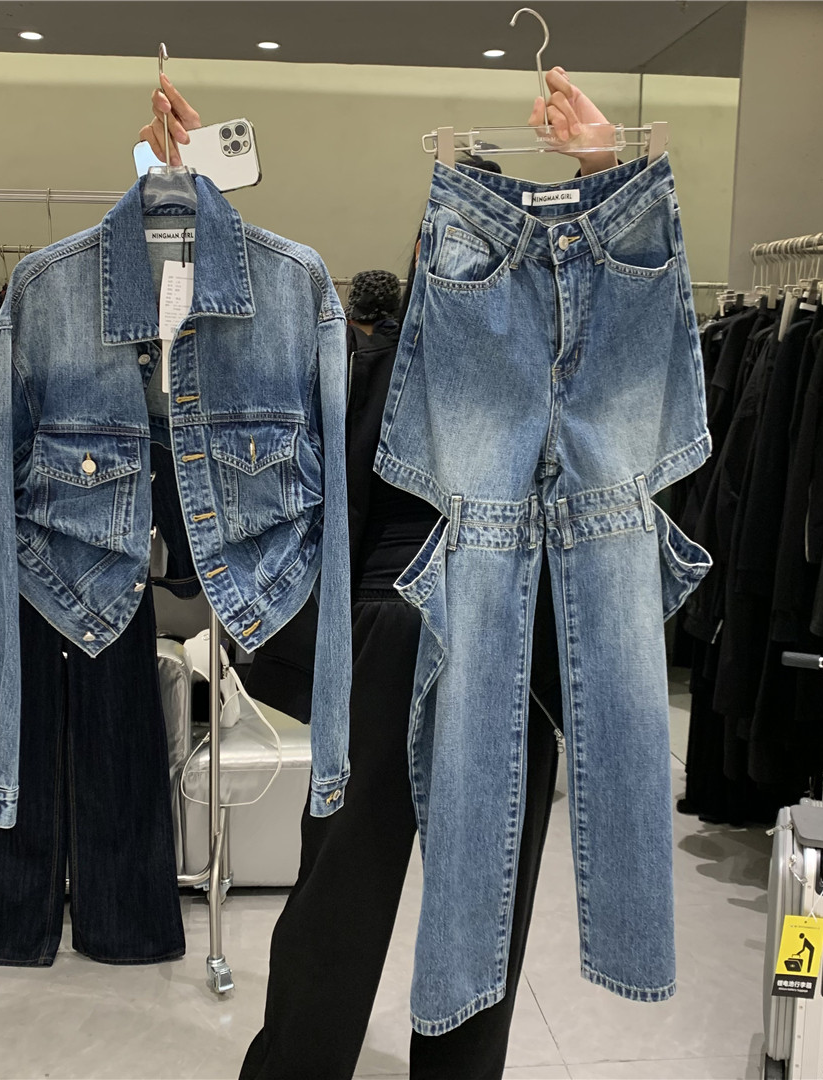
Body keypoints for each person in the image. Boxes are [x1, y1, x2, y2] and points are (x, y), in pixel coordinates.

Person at [140, 69, 620, 1080]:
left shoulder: (526, 379)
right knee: (376, 906)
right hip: (424, 635)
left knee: (413, 909)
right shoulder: (403, 367)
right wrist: (187, 196)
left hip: (471, 640)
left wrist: (602, 174)